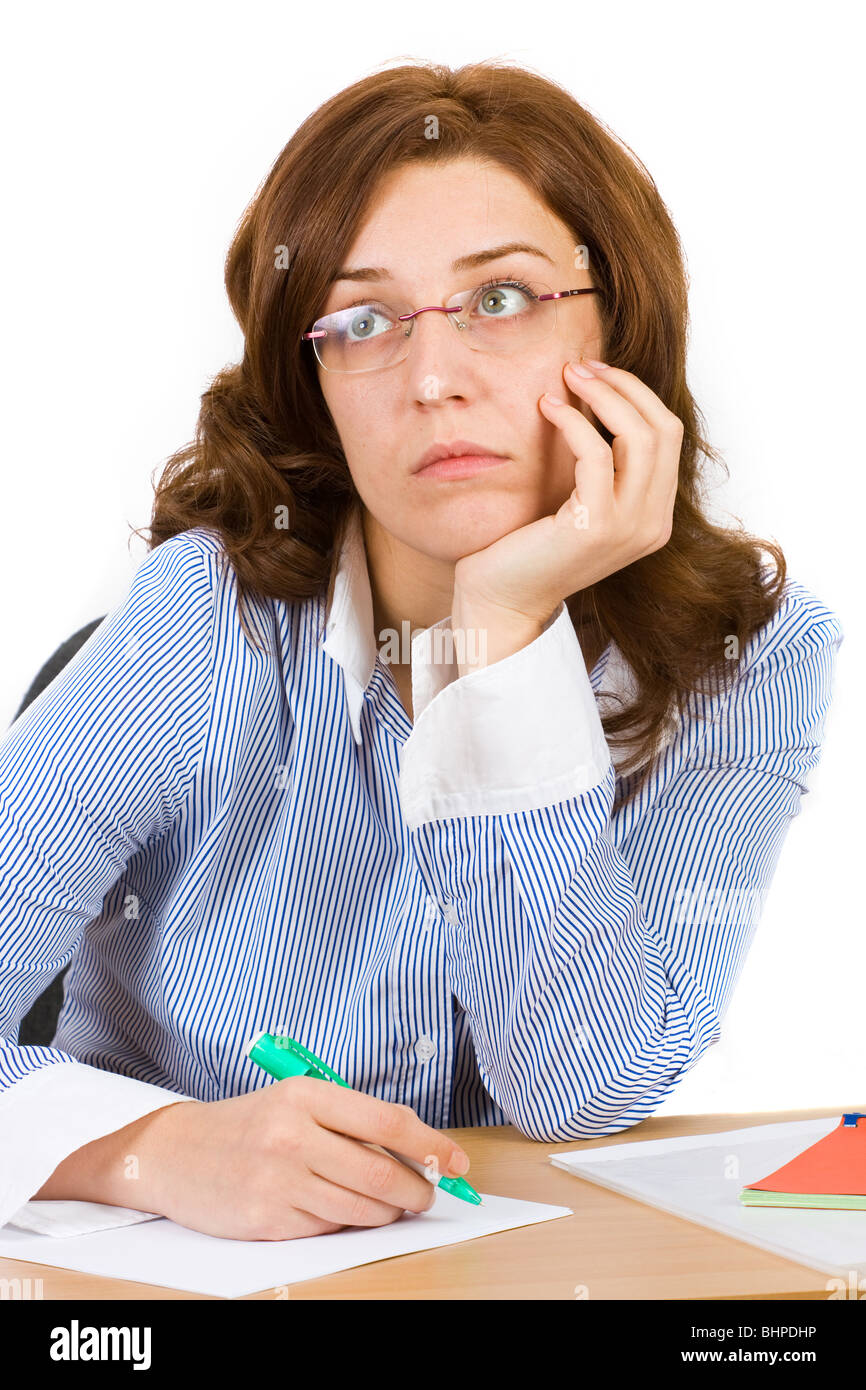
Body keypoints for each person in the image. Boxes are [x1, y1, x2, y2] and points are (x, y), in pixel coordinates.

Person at [0, 60, 843, 1243]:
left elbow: (582, 1088)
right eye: (361, 321)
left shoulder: (747, 657)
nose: (434, 380)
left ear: (621, 325)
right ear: (316, 385)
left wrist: (497, 639)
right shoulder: (205, 618)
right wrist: (148, 1151)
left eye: (499, 299)